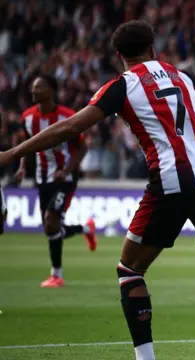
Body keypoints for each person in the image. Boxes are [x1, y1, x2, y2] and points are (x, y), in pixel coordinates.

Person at [0, 20, 195, 360]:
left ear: (119, 56)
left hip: (170, 181)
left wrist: (12, 153)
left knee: (129, 270)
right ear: (152, 49)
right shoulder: (179, 75)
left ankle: (145, 359)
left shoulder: (121, 86)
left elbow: (71, 127)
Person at [16, 74, 97, 288]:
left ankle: (56, 275)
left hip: (65, 178)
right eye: (33, 88)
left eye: (39, 87)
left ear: (51, 91)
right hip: (43, 179)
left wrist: (67, 170)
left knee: (51, 221)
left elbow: (82, 147)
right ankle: (85, 229)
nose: (34, 91)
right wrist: (23, 167)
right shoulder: (27, 118)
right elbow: (28, 144)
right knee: (50, 228)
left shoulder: (67, 117)